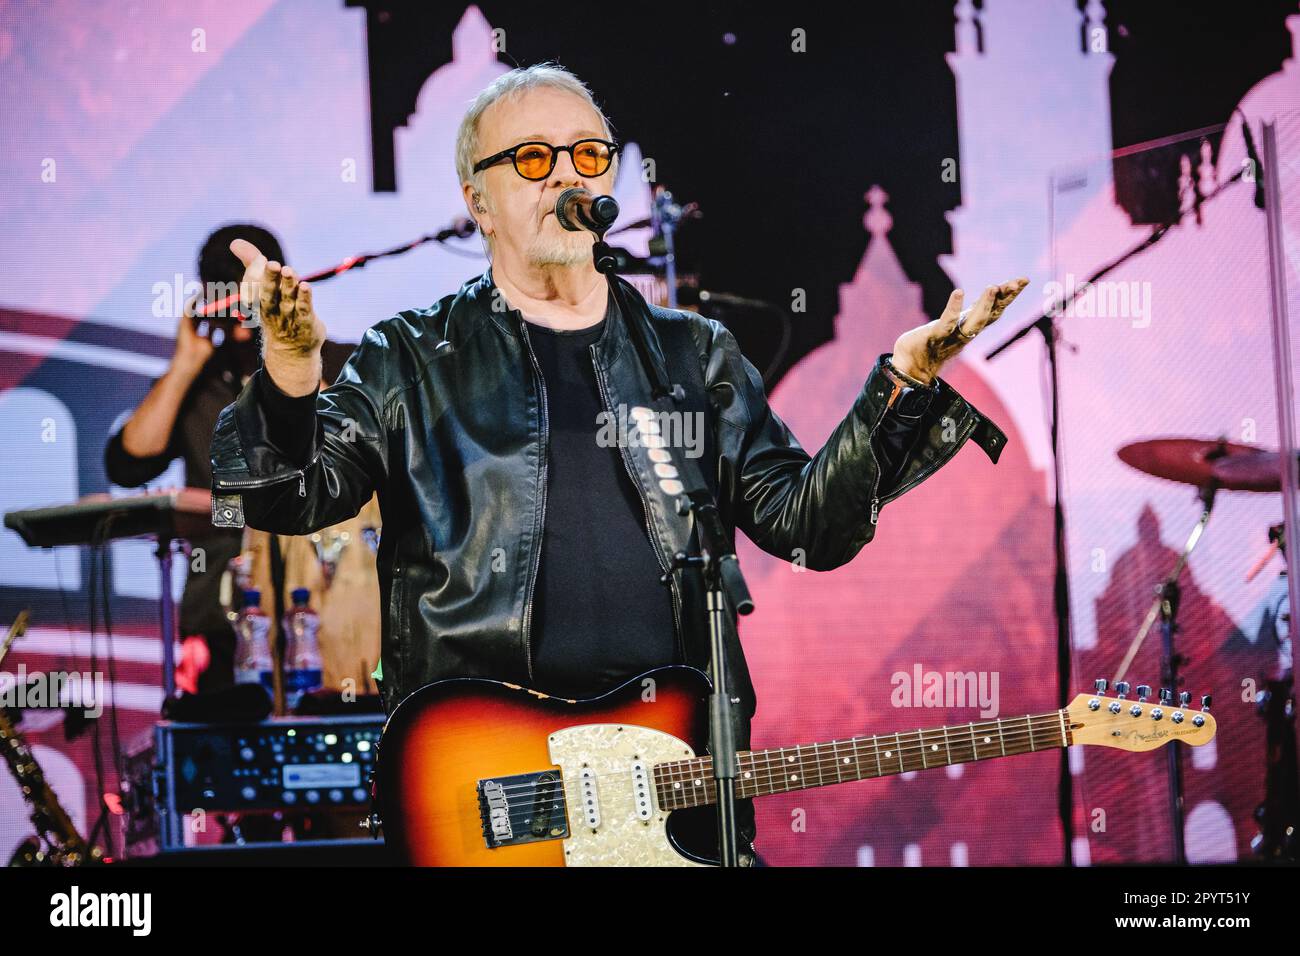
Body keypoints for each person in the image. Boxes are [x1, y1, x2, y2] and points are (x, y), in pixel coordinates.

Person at [208, 63, 1027, 865]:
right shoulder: (411, 356)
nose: (566, 173)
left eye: (588, 155)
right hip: (496, 788)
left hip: (674, 789)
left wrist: (904, 383)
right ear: (477, 203)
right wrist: (287, 370)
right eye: (533, 158)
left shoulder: (691, 352)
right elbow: (291, 498)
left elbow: (808, 526)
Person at [104, 224, 354, 697]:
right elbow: (128, 463)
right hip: (225, 614)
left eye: (249, 305)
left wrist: (293, 347)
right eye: (228, 310)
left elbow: (348, 447)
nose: (241, 325)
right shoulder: (199, 386)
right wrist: (184, 365)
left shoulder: (339, 362)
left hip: (328, 608)